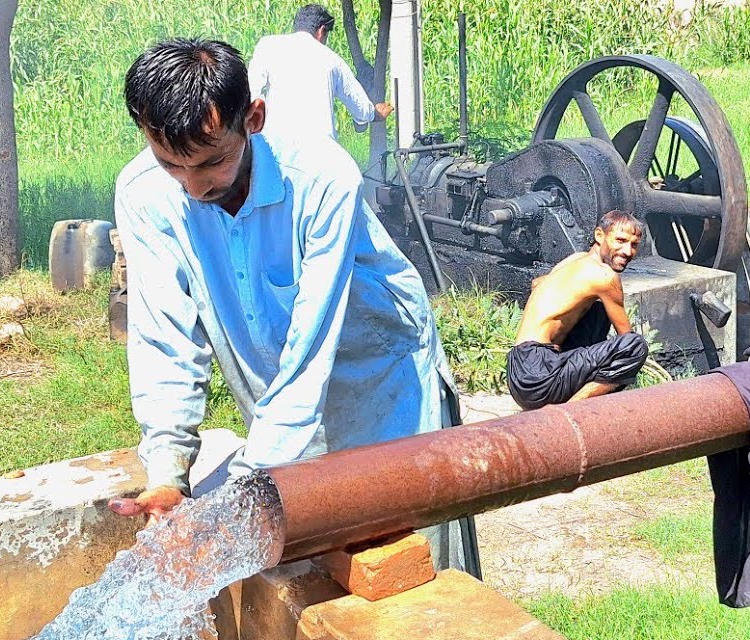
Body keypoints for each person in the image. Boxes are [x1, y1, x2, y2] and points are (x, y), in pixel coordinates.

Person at [108, 38, 478, 576]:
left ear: (253, 118)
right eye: (171, 165)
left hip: (380, 364)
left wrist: (245, 492)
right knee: (306, 547)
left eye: (211, 162)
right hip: (277, 370)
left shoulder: (323, 176)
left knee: (409, 546)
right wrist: (167, 473)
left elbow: (310, 345)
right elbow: (164, 338)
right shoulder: (143, 193)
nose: (192, 186)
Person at [505, 211, 650, 410]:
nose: (627, 251)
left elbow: (536, 283)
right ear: (599, 235)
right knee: (636, 346)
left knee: (596, 309)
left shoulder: (576, 259)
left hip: (518, 372)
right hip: (540, 374)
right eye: (621, 240)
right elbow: (626, 338)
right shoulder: (605, 276)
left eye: (634, 244)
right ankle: (570, 411)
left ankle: (569, 397)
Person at [247, 4, 393, 140]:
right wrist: (375, 114)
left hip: (275, 146)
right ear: (322, 31)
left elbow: (252, 92)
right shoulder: (332, 60)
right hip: (320, 153)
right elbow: (361, 108)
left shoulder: (268, 46)